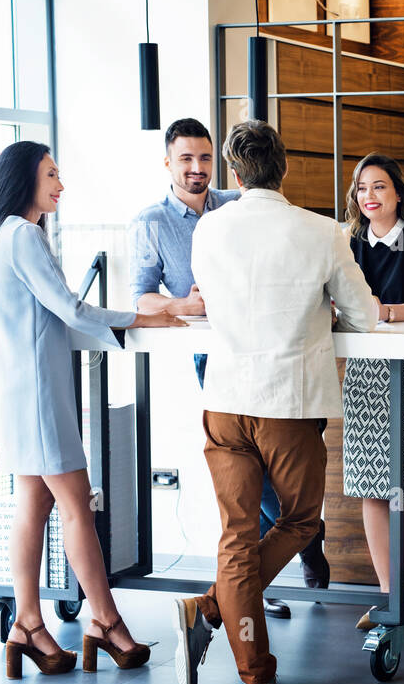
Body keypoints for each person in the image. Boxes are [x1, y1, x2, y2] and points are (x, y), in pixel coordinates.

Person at [172, 120, 377, 684]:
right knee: (300, 521)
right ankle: (211, 609)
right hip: (287, 403)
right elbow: (362, 317)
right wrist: (324, 314)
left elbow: (209, 303)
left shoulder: (209, 228)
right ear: (284, 169)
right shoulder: (322, 231)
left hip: (225, 400)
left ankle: (254, 674)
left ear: (234, 173)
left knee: (237, 536)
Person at [0, 140, 184, 679]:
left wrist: (131, 320)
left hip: (22, 391)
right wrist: (141, 318)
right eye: (52, 175)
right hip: (41, 396)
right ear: (25, 180)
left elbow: (54, 315)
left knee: (34, 506)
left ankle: (28, 627)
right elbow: (69, 307)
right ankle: (106, 623)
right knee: (75, 507)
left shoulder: (4, 236)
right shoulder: (23, 235)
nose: (61, 185)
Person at [129, 116, 311, 619]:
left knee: (268, 464)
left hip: (269, 347)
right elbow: (141, 296)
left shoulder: (237, 204)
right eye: (186, 159)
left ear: (222, 163)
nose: (196, 168)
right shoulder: (150, 222)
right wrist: (184, 306)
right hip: (215, 354)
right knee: (246, 472)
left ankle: (271, 561)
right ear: (167, 163)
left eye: (205, 158)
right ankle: (283, 556)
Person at [340, 154, 404, 631]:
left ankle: (398, 592)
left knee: (401, 483)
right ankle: (386, 595)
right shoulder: (350, 239)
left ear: (398, 192)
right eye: (362, 188)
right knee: (368, 484)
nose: (369, 197)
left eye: (379, 187)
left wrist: (384, 312)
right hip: (361, 374)